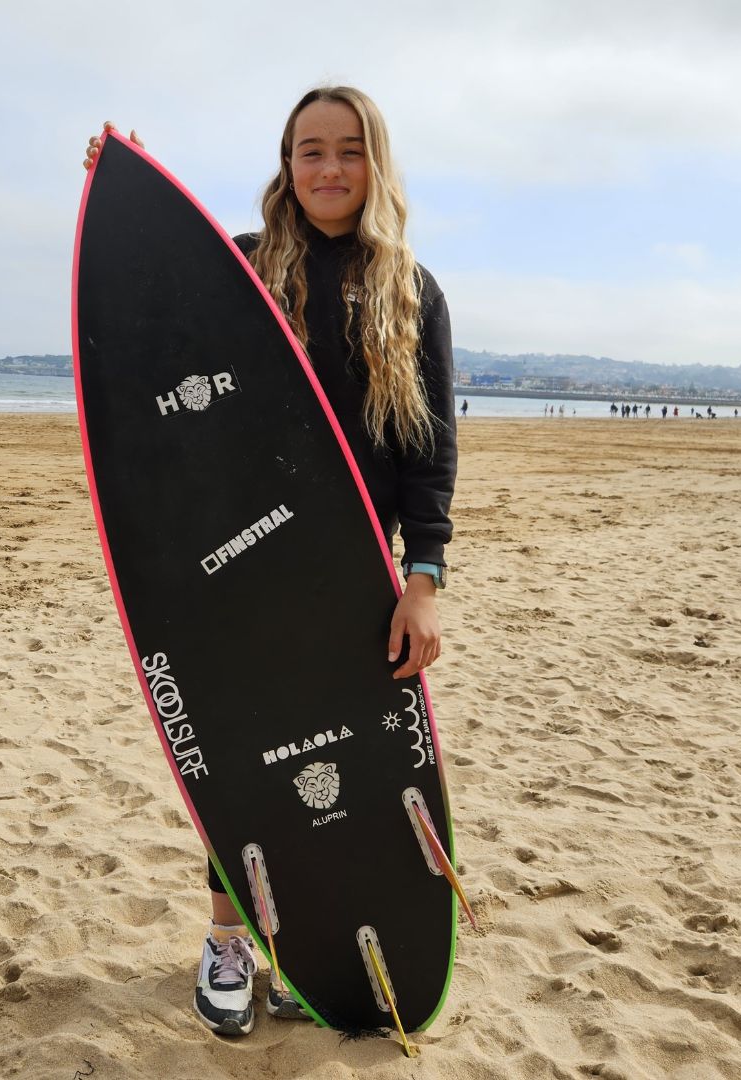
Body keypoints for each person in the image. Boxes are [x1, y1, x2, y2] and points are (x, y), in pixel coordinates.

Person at [83, 86, 456, 1039]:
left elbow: (430, 453)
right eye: (309, 150)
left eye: (349, 149)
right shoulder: (240, 270)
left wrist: (423, 581)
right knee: (244, 759)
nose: (329, 168)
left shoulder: (411, 291)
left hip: (351, 572)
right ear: (286, 164)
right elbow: (150, 351)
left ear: (377, 162)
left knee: (347, 760)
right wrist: (128, 201)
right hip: (233, 570)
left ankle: (306, 945)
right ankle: (228, 941)